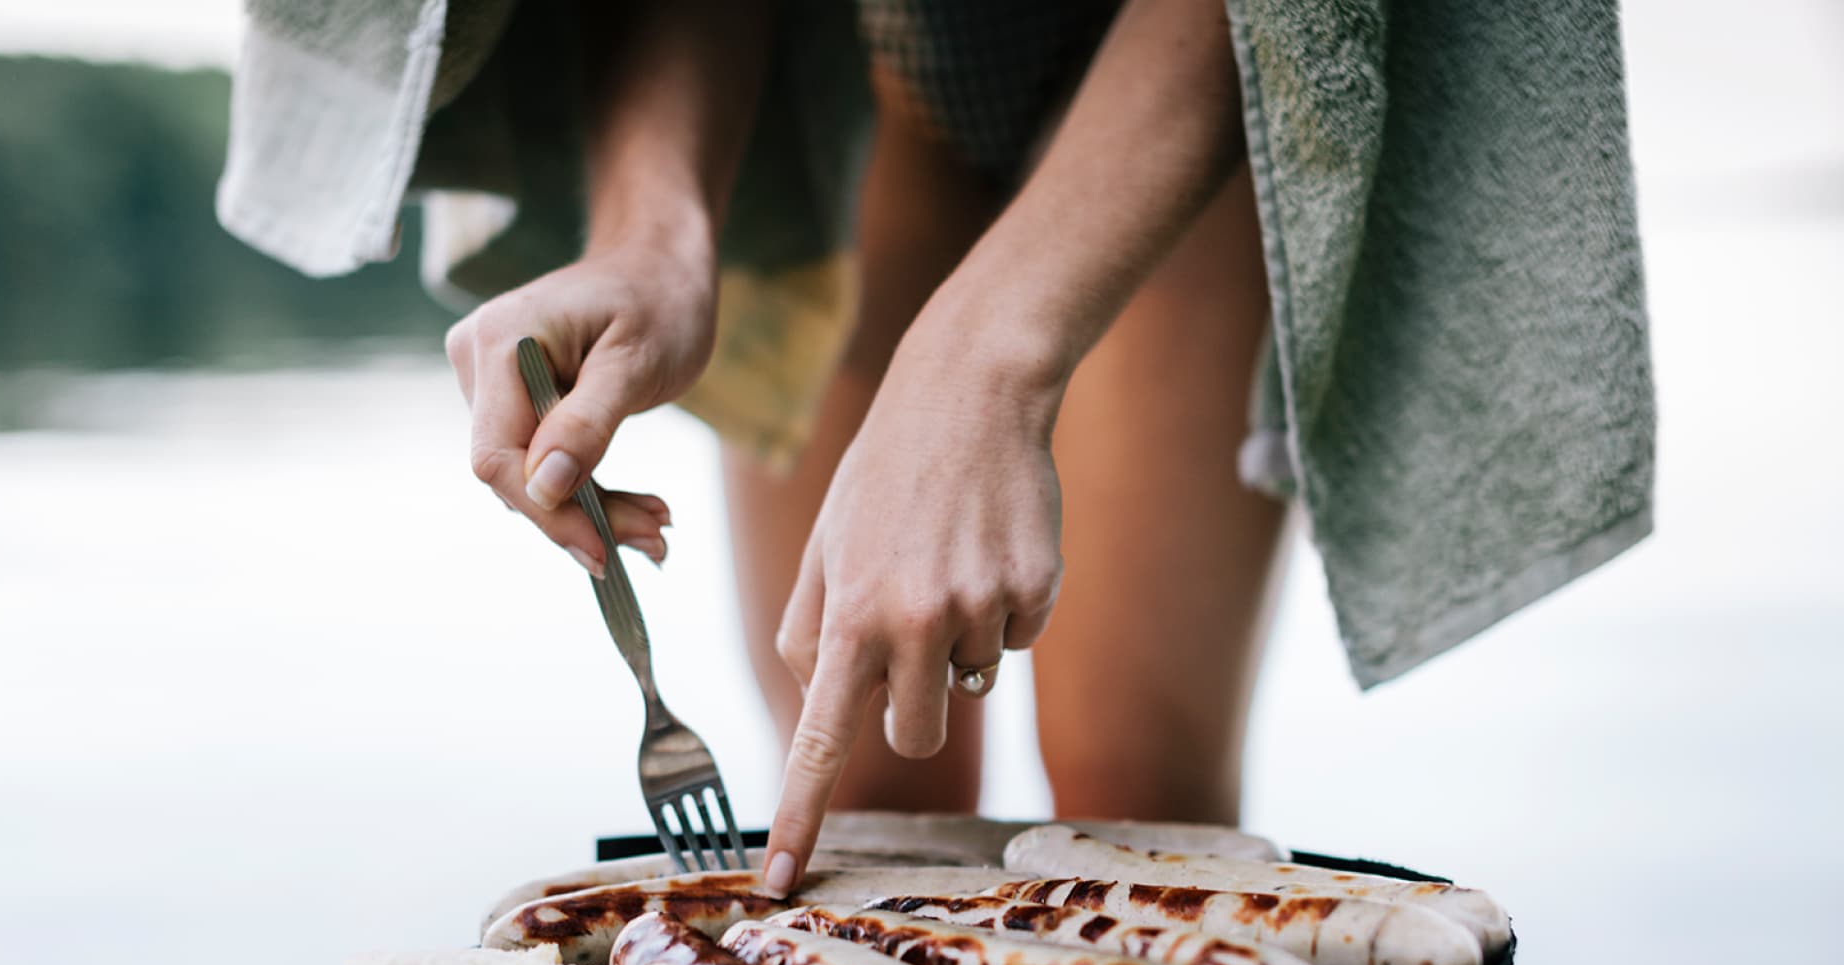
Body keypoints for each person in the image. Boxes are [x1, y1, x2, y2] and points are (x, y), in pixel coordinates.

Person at [220, 0, 1654, 898]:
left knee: (1136, 813)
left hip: (1193, 39)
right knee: (861, 814)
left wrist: (985, 356)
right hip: (862, 53)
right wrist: (655, 233)